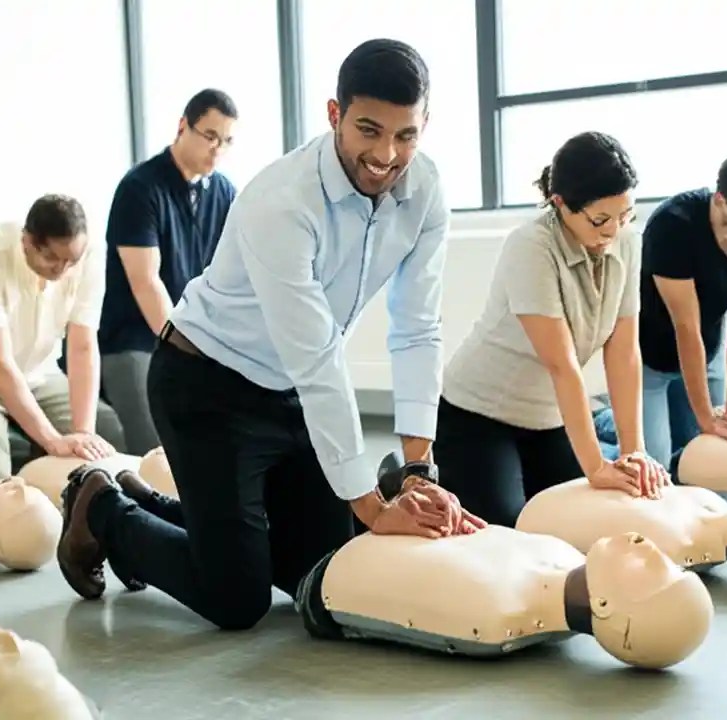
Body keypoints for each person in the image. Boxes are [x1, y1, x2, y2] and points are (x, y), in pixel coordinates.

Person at [56, 38, 484, 630]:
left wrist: (419, 472)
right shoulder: (282, 202)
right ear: (335, 115)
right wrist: (371, 507)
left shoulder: (426, 191)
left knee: (323, 569)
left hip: (286, 390)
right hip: (206, 384)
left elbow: (417, 328)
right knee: (238, 598)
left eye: (405, 135)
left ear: (425, 125)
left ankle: (149, 502)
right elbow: (317, 360)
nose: (386, 154)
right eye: (368, 130)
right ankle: (101, 508)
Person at [432, 132, 670, 528]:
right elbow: (562, 365)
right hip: (477, 415)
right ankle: (407, 479)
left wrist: (635, 452)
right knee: (510, 526)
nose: (613, 231)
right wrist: (595, 467)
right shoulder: (531, 246)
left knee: (582, 520)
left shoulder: (627, 242)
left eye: (625, 216)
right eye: (600, 220)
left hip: (546, 420)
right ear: (560, 203)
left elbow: (624, 352)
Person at [600, 147, 727, 466]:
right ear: (723, 199)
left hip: (706, 355)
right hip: (649, 360)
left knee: (713, 464)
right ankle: (607, 422)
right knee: (656, 464)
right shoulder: (673, 225)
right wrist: (706, 417)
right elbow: (685, 327)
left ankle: (652, 423)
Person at [0, 194, 126, 486]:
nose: (63, 270)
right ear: (27, 241)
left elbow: (82, 346)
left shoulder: (90, 254)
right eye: (52, 258)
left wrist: (83, 432)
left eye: (71, 261)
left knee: (103, 435)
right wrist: (52, 440)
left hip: (38, 376)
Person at [98, 89, 239, 454]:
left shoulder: (222, 192)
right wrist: (184, 348)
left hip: (195, 341)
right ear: (182, 127)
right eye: (210, 136)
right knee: (160, 452)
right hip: (134, 341)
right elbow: (147, 283)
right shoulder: (140, 188)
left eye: (226, 141)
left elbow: (231, 275)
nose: (217, 149)